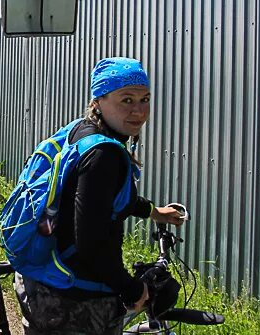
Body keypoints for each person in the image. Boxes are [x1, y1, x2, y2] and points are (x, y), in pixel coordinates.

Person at [13, 57, 187, 335]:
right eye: (126, 100)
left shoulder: (80, 131)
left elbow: (105, 199)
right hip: (75, 300)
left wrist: (155, 212)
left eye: (145, 99)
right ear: (99, 100)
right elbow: (90, 245)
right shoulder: (103, 155)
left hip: (42, 281)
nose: (139, 111)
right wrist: (132, 289)